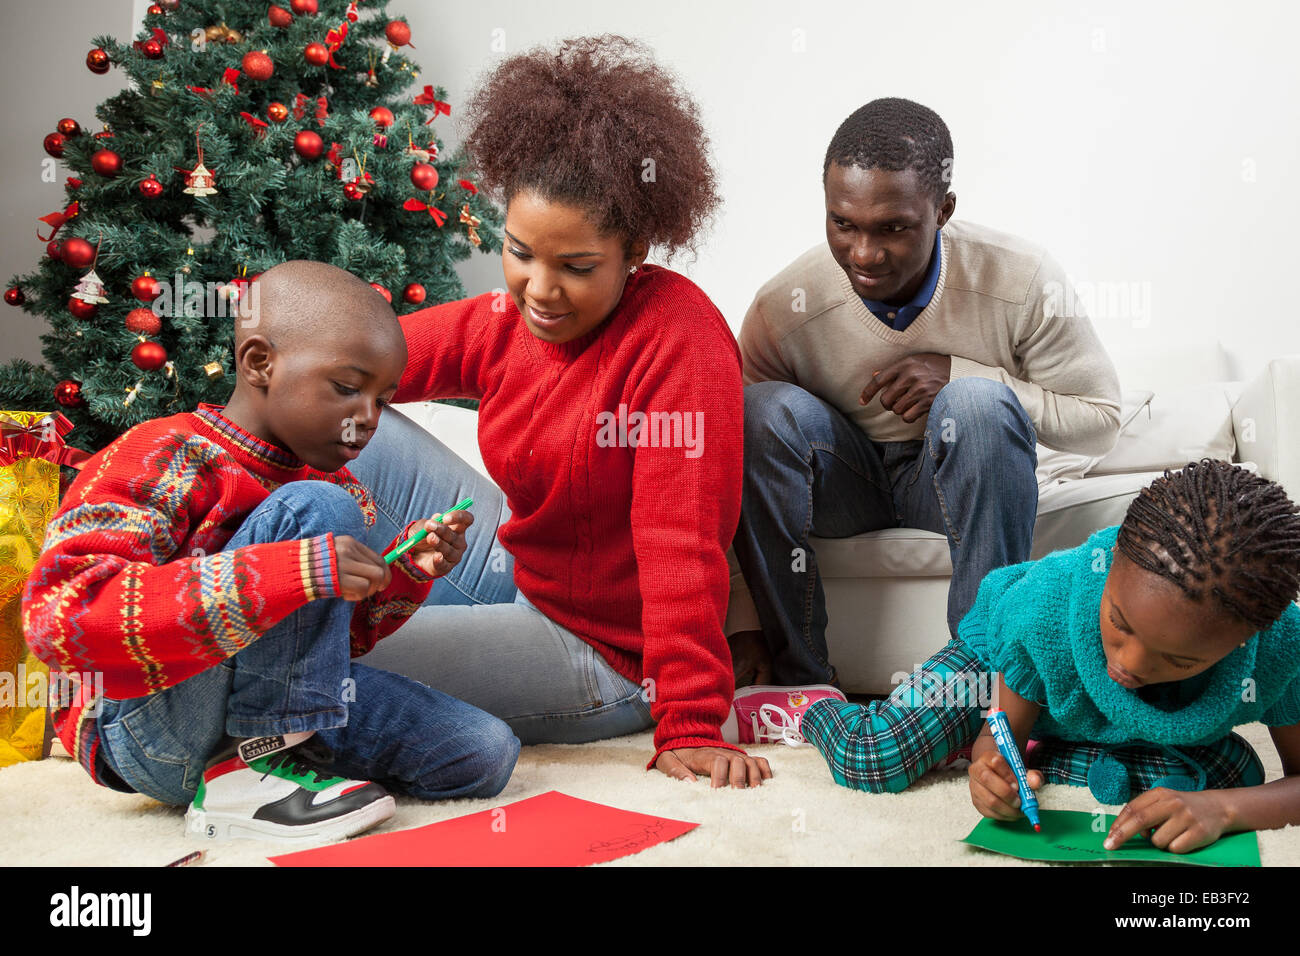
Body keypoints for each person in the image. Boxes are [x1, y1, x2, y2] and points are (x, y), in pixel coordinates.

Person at [349, 35, 771, 788]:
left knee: (322, 653)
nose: (539, 290)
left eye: (576, 268)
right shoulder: (508, 319)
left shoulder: (679, 343)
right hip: (519, 570)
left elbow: (683, 543)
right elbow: (357, 358)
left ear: (634, 249)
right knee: (345, 407)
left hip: (605, 653)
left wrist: (692, 722)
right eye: (520, 252)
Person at [22, 260, 520, 842]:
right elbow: (60, 617)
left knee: (482, 752)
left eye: (382, 401)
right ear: (260, 362)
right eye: (346, 387)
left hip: (251, 707)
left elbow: (320, 652)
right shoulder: (166, 454)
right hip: (142, 725)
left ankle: (275, 762)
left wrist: (405, 573)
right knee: (316, 511)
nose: (367, 419)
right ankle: (248, 773)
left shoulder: (340, 489)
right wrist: (288, 570)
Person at [729, 97, 1123, 689]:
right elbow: (729, 472)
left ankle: (984, 685)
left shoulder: (1020, 278)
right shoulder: (787, 304)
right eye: (843, 224)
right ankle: (801, 684)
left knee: (977, 405)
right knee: (756, 411)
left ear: (943, 210)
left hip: (954, 480)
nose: (864, 253)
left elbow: (1101, 421)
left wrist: (965, 374)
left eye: (893, 228)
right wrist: (742, 620)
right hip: (844, 485)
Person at [801, 459, 1300, 854]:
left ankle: (1055, 752)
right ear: (1112, 569)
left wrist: (1224, 810)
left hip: (1084, 713)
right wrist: (991, 772)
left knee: (1232, 776)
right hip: (999, 661)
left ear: (1246, 638)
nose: (1129, 664)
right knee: (874, 758)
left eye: (1178, 660)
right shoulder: (1044, 606)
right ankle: (810, 705)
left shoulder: (1282, 644)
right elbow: (996, 743)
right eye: (1119, 624)